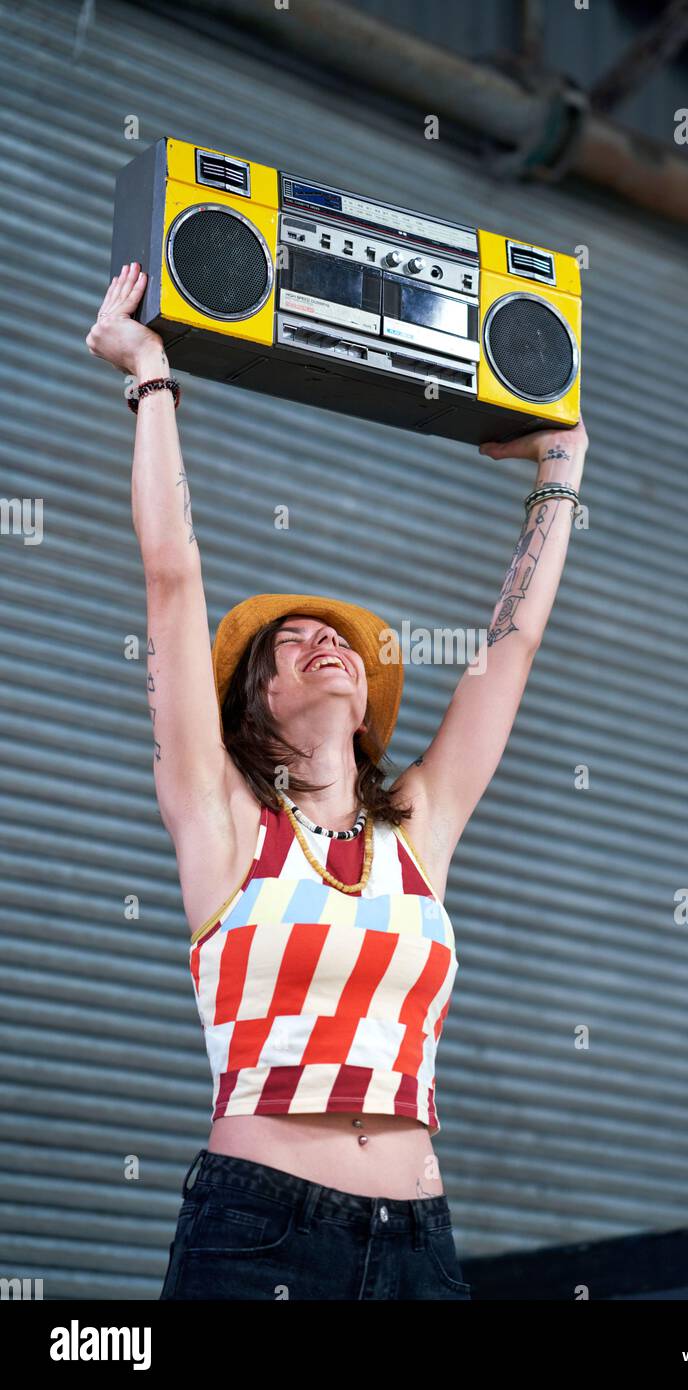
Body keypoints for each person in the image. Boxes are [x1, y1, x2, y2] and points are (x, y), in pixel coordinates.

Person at [85, 261, 589, 1300]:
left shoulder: (416, 830)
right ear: (255, 699)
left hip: (419, 1246)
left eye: (345, 642)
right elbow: (173, 582)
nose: (330, 647)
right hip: (260, 1231)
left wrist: (561, 467)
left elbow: (514, 646)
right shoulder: (222, 822)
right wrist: (150, 378)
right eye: (296, 643)